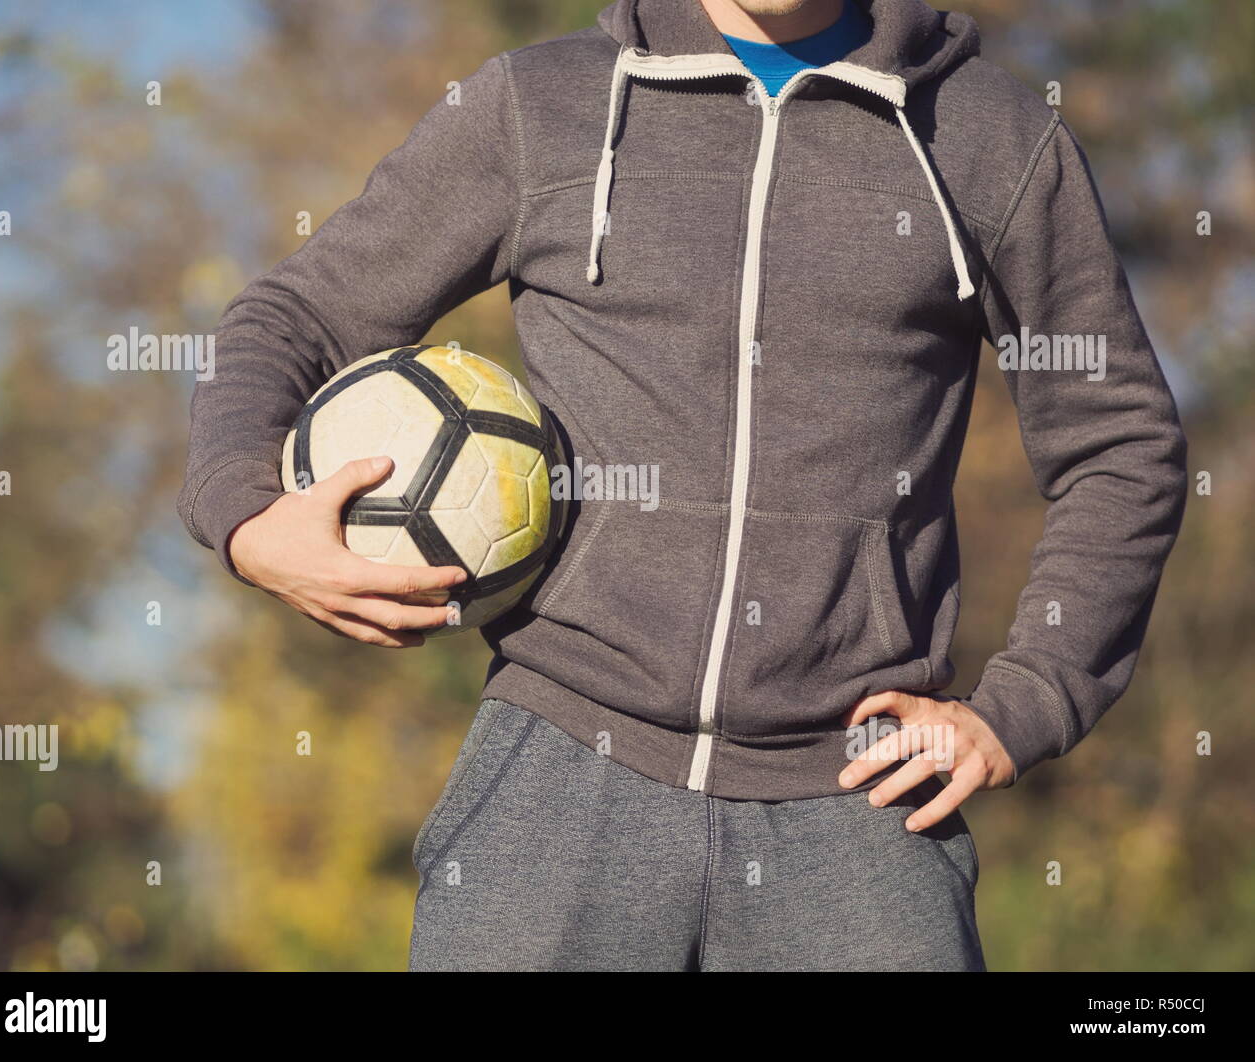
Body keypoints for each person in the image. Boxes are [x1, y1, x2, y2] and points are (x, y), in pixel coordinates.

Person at [177, 0, 1187, 971]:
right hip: (555, 773)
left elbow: (1118, 445)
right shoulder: (541, 105)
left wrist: (1029, 699)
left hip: (863, 807)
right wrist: (246, 516)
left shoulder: (991, 136)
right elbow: (294, 319)